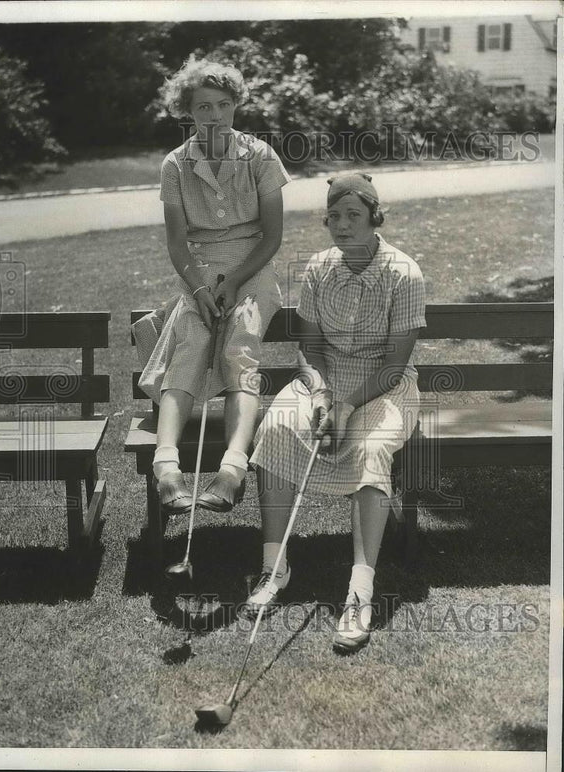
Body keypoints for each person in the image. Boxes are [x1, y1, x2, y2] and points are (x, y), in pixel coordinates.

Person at [246, 172, 427, 653]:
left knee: (370, 450)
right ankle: (274, 567)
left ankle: (359, 594)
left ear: (373, 217)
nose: (342, 226)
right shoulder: (319, 268)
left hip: (383, 388)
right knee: (279, 424)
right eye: (334, 216)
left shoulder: (403, 272)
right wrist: (322, 394)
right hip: (326, 382)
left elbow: (394, 366)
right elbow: (309, 347)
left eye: (353, 216)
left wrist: (347, 407)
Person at [135, 57, 291, 514]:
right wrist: (201, 290)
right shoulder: (175, 165)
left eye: (224, 105)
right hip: (199, 272)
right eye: (203, 106)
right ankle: (167, 468)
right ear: (188, 110)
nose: (215, 116)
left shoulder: (260, 156)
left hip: (252, 269)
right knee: (191, 340)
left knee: (237, 347)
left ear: (236, 105)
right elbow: (178, 244)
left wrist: (236, 281)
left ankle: (233, 469)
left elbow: (273, 236)